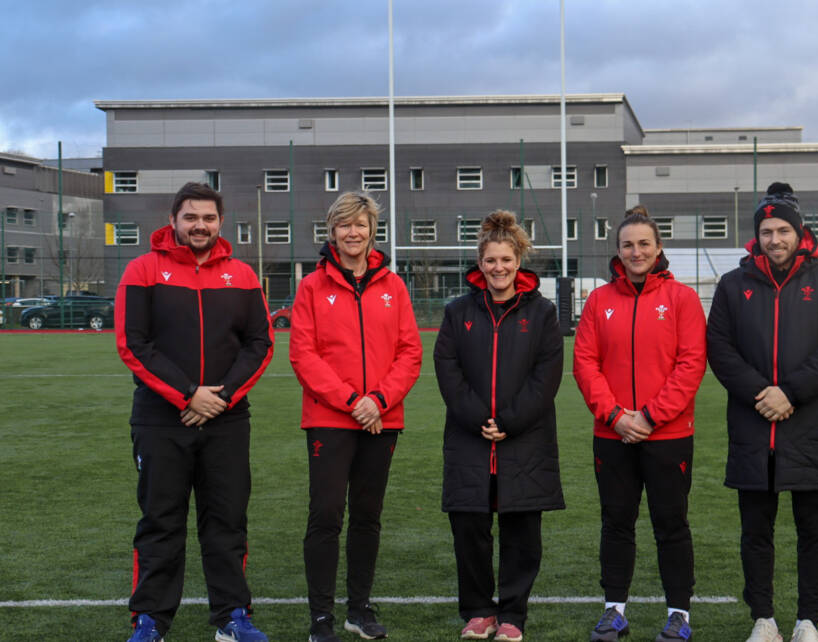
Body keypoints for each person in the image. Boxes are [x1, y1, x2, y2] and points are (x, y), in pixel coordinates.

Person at [115, 182, 274, 642]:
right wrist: (187, 394)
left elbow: (259, 344)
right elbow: (132, 343)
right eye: (190, 217)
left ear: (220, 222)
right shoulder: (143, 269)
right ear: (174, 221)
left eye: (207, 218)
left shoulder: (242, 275)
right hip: (161, 419)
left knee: (226, 521)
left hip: (226, 420)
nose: (199, 225)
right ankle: (150, 620)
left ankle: (232, 617)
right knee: (160, 521)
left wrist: (217, 399)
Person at [706, 182, 818, 642]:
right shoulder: (733, 285)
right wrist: (762, 393)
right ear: (757, 235)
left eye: (782, 230)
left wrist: (789, 392)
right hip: (754, 428)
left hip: (811, 425)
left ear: (799, 232)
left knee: (814, 531)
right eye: (766, 231)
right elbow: (719, 348)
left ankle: (808, 621)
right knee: (756, 531)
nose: (774, 239)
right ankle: (764, 620)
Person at [289, 191, 422, 642]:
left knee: (368, 516)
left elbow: (409, 352)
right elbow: (303, 355)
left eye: (360, 225)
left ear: (372, 231)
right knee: (326, 515)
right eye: (344, 224)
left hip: (382, 420)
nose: (353, 232)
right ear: (332, 231)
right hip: (331, 418)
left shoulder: (394, 285)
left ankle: (358, 609)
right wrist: (352, 401)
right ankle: (321, 618)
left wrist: (379, 400)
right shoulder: (311, 286)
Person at [573, 205, 706, 642]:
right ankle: (614, 611)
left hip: (667, 435)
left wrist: (649, 416)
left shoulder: (682, 299)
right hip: (612, 436)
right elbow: (585, 363)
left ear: (658, 248)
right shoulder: (599, 300)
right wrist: (615, 416)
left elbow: (690, 365)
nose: (636, 251)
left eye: (643, 243)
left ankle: (679, 615)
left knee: (671, 524)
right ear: (617, 250)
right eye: (628, 244)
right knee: (616, 522)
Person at [434, 210, 565, 642]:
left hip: (524, 439)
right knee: (469, 529)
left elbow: (546, 376)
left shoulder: (542, 312)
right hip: (470, 440)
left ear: (519, 260)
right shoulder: (458, 312)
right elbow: (447, 369)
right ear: (480, 262)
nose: (499, 268)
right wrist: (478, 419)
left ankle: (512, 614)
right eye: (491, 260)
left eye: (506, 259)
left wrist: (508, 421)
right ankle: (478, 611)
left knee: (521, 531)